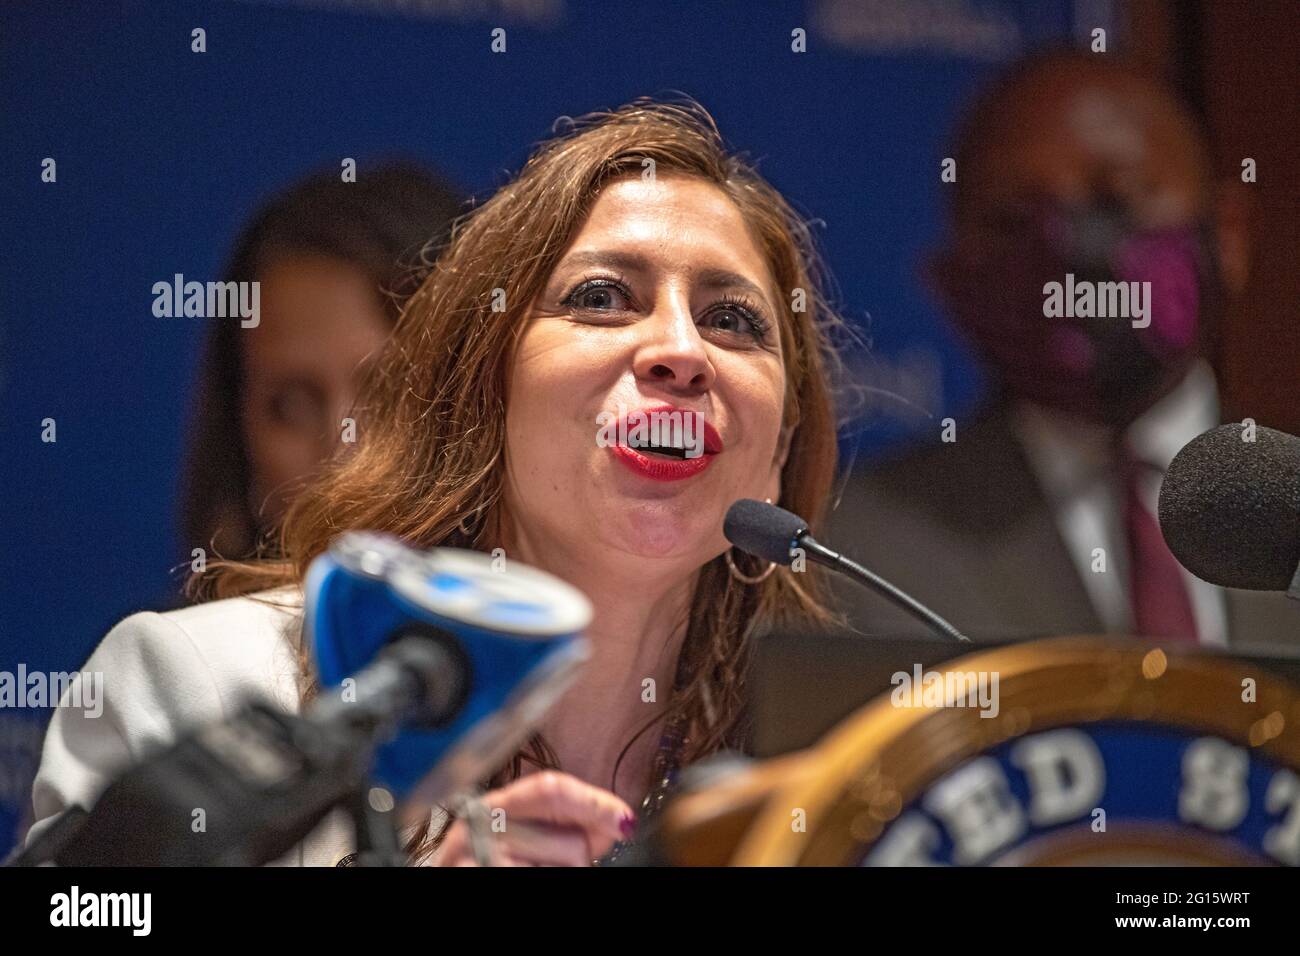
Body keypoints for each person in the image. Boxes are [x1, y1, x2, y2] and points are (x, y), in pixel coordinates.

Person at [28, 99, 844, 865]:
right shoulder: (199, 685)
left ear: (780, 449)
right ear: (483, 394)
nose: (682, 349)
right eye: (602, 298)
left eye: (732, 319)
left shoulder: (848, 779)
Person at [828, 49, 1293, 649]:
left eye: (1120, 197)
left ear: (1229, 235)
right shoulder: (849, 553)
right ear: (949, 279)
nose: (1073, 254)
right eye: (1016, 218)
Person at [180, 162, 465, 562]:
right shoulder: (181, 629)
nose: (342, 453)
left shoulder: (571, 621)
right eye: (291, 406)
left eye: (393, 392)